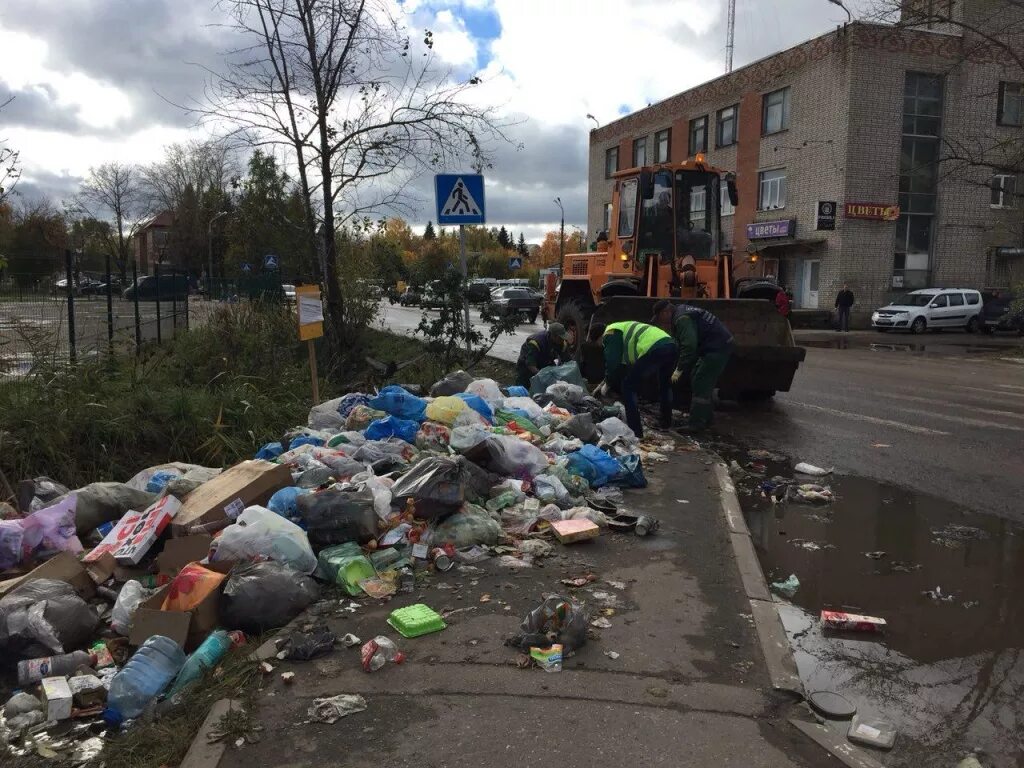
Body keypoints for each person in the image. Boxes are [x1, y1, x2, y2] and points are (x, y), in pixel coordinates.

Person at [652, 300, 733, 433]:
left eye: (660, 317)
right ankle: (707, 418)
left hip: (717, 348)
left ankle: (696, 424)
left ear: (666, 312)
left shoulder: (682, 318)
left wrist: (679, 368)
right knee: (697, 377)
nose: (661, 321)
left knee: (701, 383)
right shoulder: (682, 311)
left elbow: (689, 346)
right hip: (715, 346)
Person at [597, 321, 677, 438]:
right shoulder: (622, 330)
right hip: (670, 345)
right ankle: (665, 423)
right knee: (665, 385)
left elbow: (612, 361)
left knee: (628, 387)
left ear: (600, 336)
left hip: (653, 348)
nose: (603, 346)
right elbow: (622, 367)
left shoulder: (610, 332)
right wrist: (606, 380)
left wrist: (608, 383)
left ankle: (636, 432)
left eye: (600, 343)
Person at [515, 322, 568, 388]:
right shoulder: (536, 342)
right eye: (560, 338)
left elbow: (567, 362)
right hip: (526, 367)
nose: (563, 340)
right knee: (522, 389)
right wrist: (543, 375)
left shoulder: (561, 343)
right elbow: (531, 365)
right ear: (553, 335)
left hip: (544, 363)